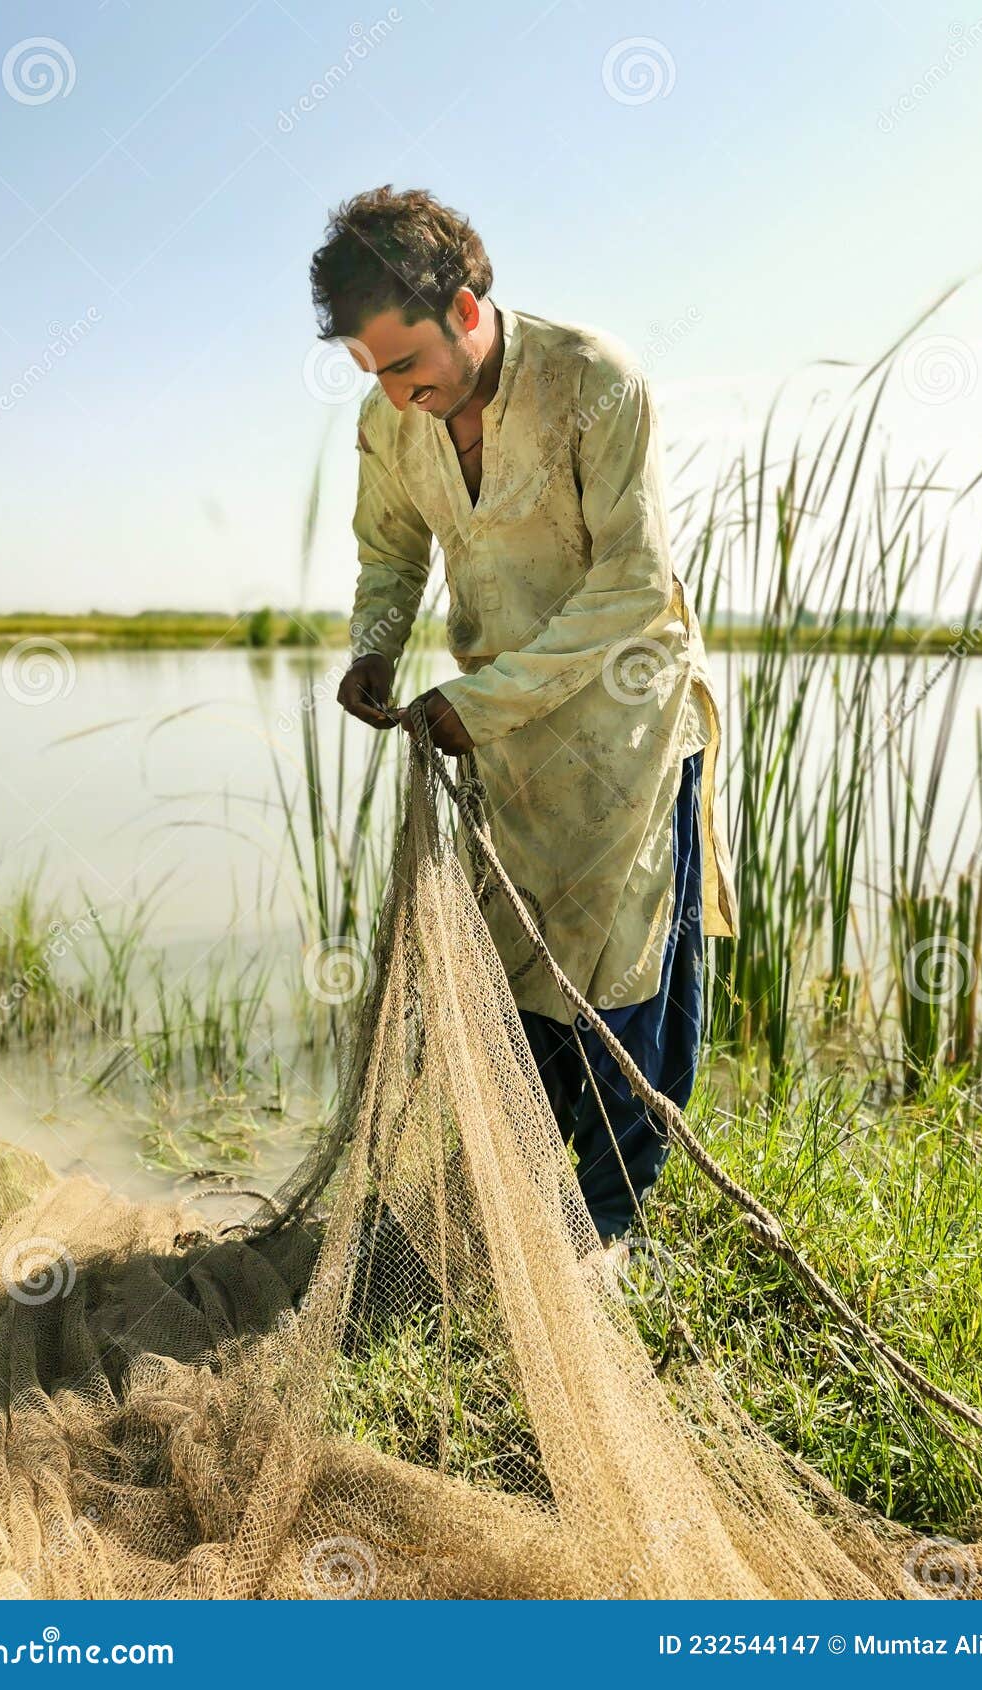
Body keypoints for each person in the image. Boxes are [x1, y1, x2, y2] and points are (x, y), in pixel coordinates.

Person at [315, 186, 739, 1273]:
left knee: (626, 978)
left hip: (626, 731)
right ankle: (532, 1207)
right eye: (373, 375)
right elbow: (390, 554)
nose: (398, 396)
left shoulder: (596, 382)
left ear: (463, 311)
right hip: (502, 738)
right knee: (522, 971)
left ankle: (604, 1232)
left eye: (405, 365)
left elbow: (635, 588)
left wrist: (481, 698)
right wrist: (375, 646)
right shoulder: (390, 420)